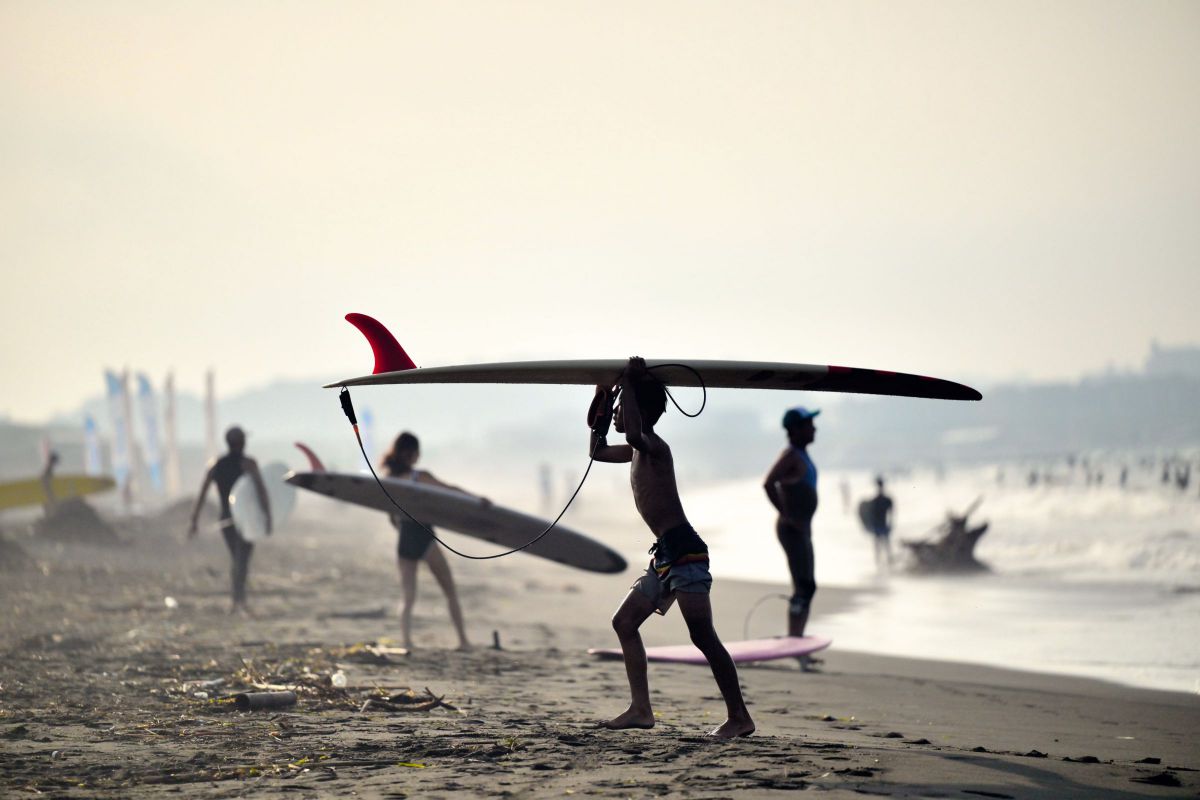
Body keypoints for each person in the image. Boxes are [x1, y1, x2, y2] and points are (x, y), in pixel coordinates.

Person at [589, 357, 753, 739]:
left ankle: (740, 717)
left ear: (637, 412)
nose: (616, 416)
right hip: (664, 554)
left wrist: (629, 384)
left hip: (685, 551)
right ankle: (641, 709)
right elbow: (596, 451)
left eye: (619, 411)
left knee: (703, 636)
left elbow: (633, 435)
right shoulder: (636, 451)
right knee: (624, 623)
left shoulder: (653, 447)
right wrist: (601, 401)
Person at [381, 432, 482, 651]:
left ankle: (407, 643)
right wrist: (476, 499)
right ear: (415, 453)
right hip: (424, 535)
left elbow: (391, 516)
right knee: (450, 591)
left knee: (408, 597)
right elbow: (450, 490)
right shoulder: (419, 477)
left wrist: (402, 528)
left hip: (405, 538)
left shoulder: (389, 480)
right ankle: (463, 641)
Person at [188, 426, 270, 614]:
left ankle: (238, 600)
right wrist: (267, 515)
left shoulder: (216, 465)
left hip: (226, 519)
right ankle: (239, 600)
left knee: (238, 558)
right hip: (246, 520)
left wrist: (194, 519)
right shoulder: (249, 464)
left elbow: (202, 493)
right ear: (242, 442)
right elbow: (261, 491)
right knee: (242, 560)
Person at [763, 407, 819, 648]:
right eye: (809, 424)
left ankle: (797, 640)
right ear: (795, 429)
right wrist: (786, 514)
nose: (814, 428)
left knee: (808, 585)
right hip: (792, 529)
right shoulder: (791, 455)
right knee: (803, 586)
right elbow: (768, 483)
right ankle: (795, 643)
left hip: (802, 528)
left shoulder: (801, 454)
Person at [867, 476, 894, 569]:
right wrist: (890, 524)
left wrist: (890, 524)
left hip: (879, 525)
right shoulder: (886, 500)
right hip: (882, 525)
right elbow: (892, 514)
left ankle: (880, 564)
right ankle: (885, 563)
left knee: (880, 546)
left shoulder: (876, 500)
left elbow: (870, 515)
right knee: (885, 545)